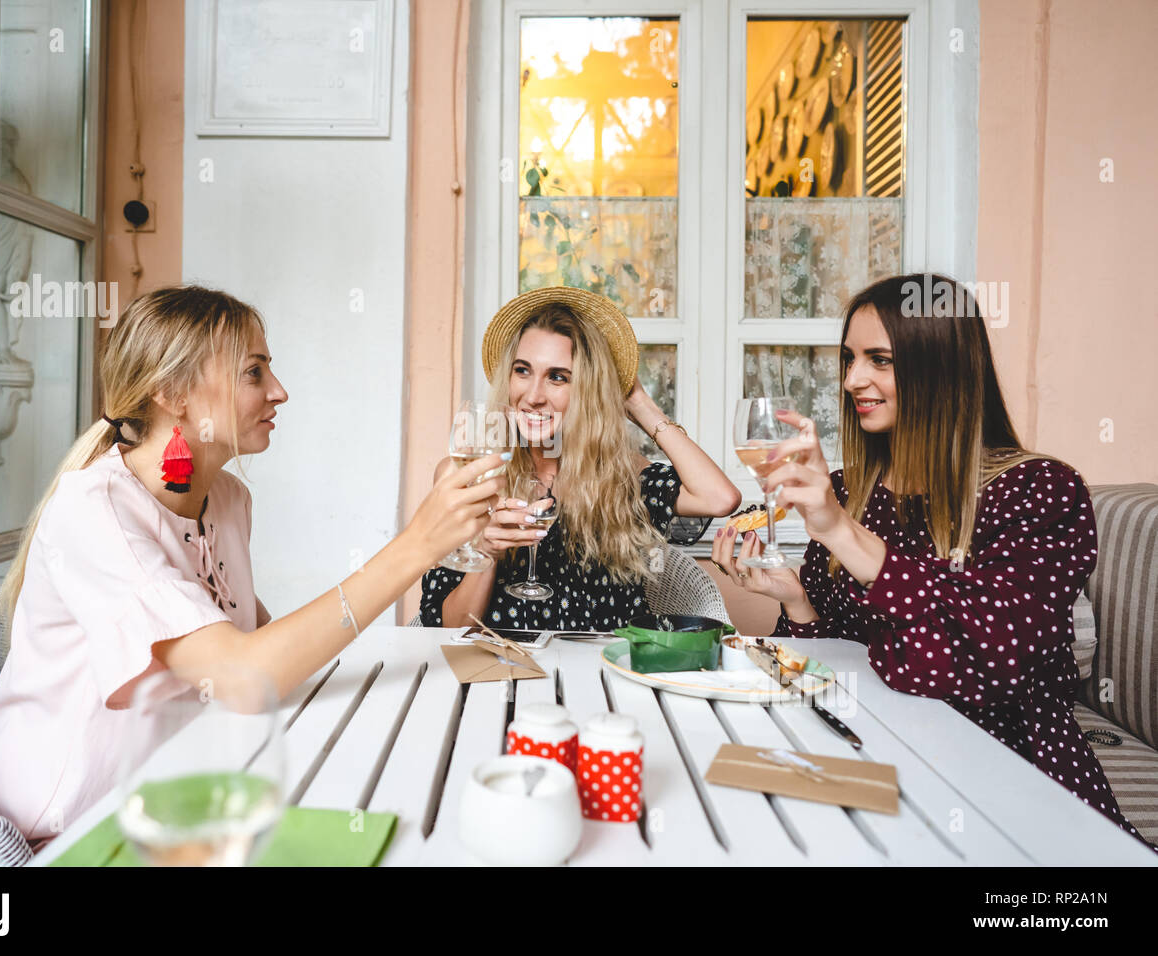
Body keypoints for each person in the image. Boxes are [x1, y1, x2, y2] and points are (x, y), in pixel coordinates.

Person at [0, 286, 505, 844]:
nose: (279, 391)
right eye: (254, 372)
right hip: (66, 833)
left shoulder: (226, 499)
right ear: (172, 391)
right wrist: (417, 546)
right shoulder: (95, 511)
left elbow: (262, 645)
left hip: (185, 794)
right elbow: (247, 677)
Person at [711, 272, 1149, 846]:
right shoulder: (849, 490)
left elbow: (979, 659)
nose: (852, 380)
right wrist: (796, 600)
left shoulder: (1038, 490)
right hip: (884, 755)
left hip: (1012, 780)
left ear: (942, 369)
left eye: (879, 360)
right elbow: (844, 663)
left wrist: (845, 535)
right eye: (849, 360)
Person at [422, 287, 740, 631]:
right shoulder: (468, 476)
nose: (532, 396)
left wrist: (638, 404)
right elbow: (449, 629)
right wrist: (488, 550)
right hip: (504, 675)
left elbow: (720, 498)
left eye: (557, 377)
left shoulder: (619, 472)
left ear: (588, 389)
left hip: (606, 675)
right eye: (522, 371)